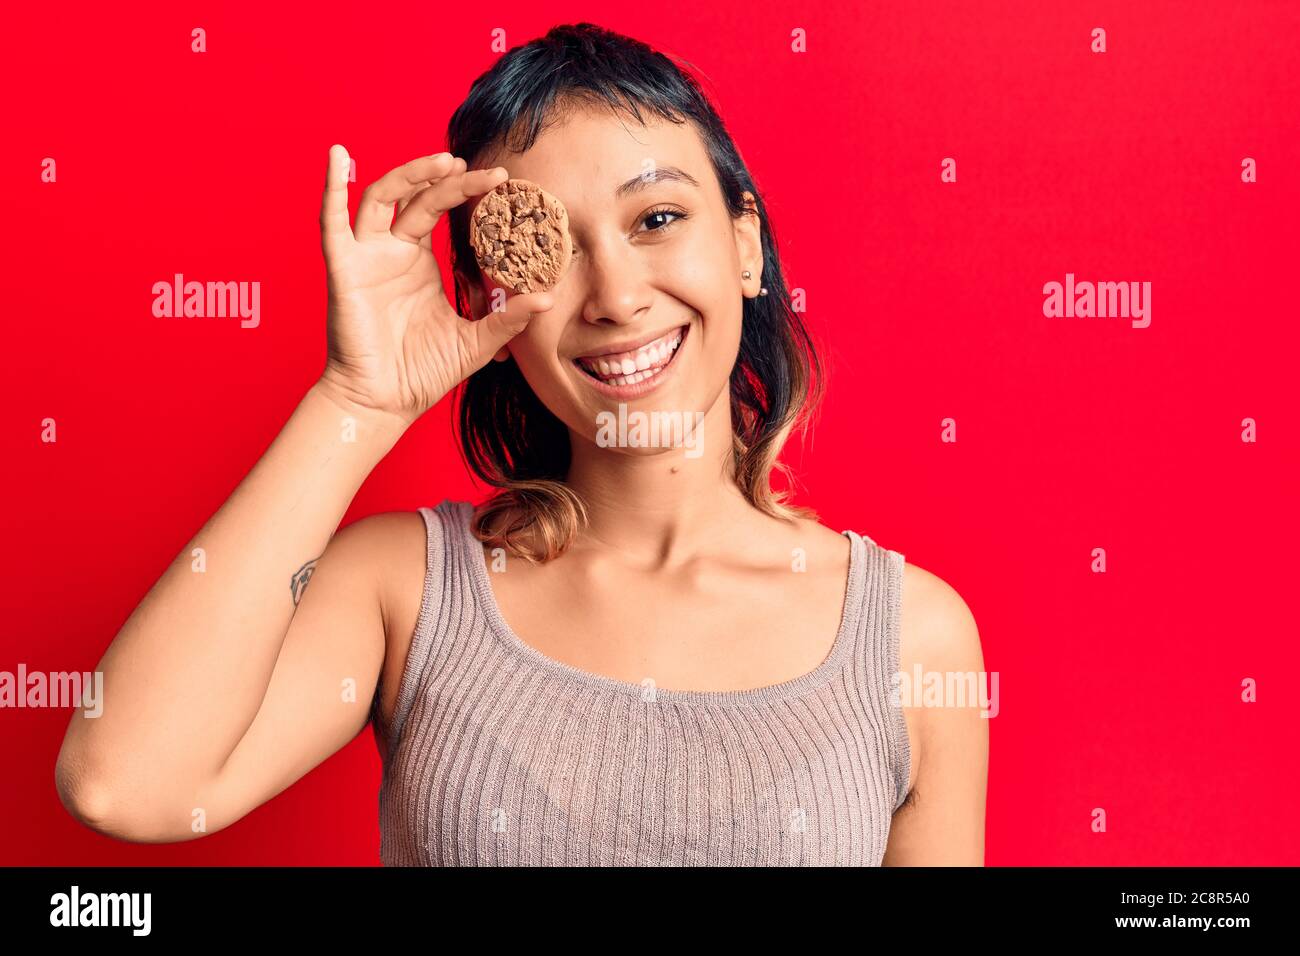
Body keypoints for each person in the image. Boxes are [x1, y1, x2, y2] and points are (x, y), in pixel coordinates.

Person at [55, 22, 987, 865]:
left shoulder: (911, 639)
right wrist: (359, 400)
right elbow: (124, 785)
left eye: (657, 219)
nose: (616, 296)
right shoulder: (408, 591)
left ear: (744, 242)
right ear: (496, 298)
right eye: (555, 248)